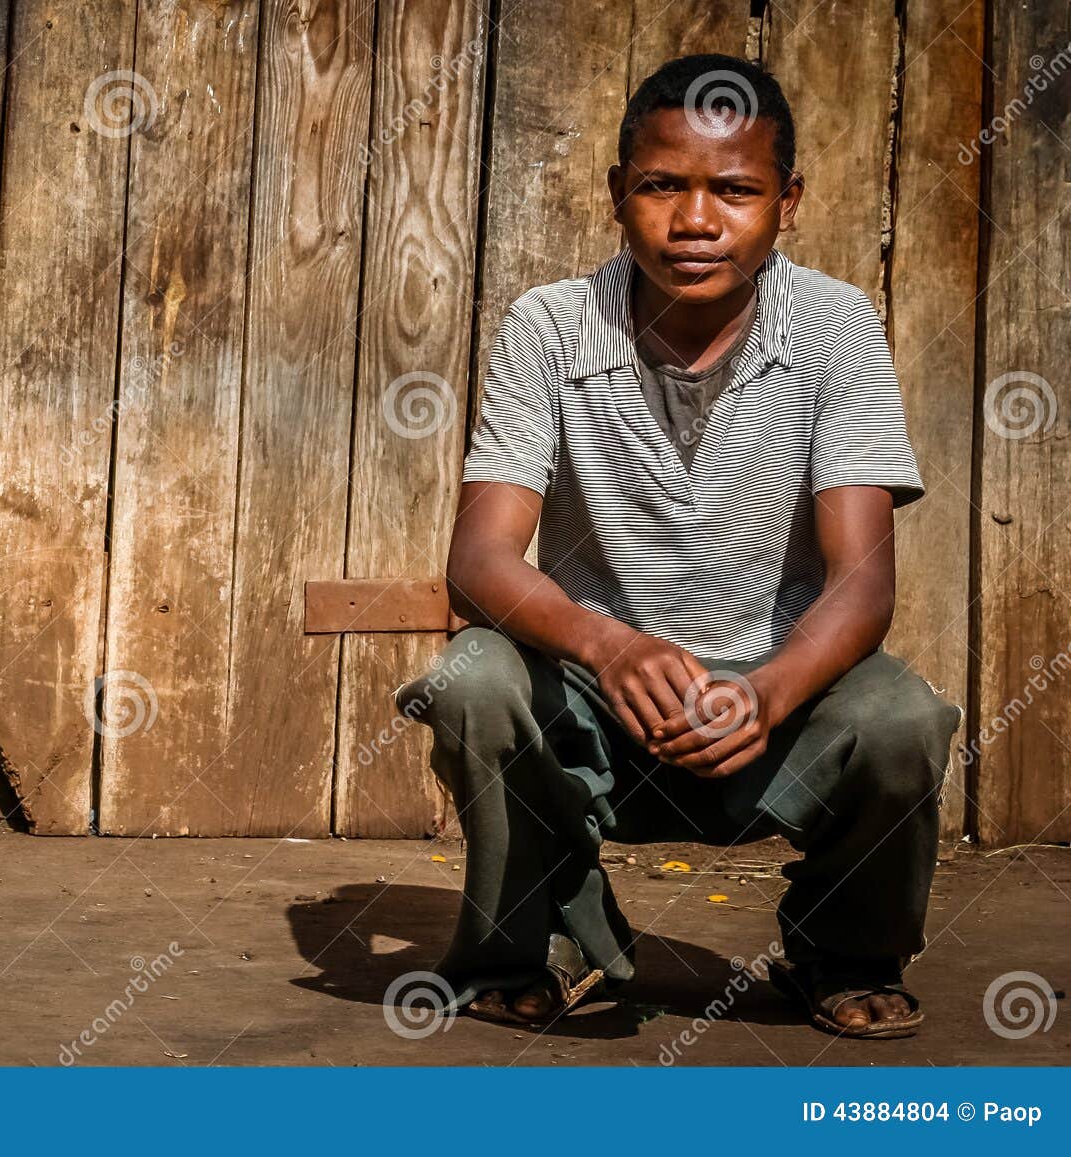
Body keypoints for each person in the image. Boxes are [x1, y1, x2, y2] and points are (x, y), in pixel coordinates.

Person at [394, 53, 961, 1040]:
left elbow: (863, 581)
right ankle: (534, 939)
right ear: (618, 194)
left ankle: (843, 948)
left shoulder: (832, 326)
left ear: (785, 203)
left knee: (902, 713)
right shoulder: (550, 324)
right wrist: (610, 647)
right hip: (594, 715)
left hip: (772, 711)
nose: (694, 219)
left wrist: (769, 691)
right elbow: (480, 560)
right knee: (473, 676)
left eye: (734, 190)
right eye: (662, 185)